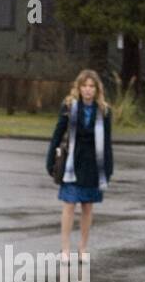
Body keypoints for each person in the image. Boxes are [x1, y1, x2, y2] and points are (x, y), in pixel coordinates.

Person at [45, 69, 113, 261]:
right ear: (79, 87)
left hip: (94, 165)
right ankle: (65, 249)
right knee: (68, 205)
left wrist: (108, 169)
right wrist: (50, 160)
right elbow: (57, 134)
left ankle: (83, 248)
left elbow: (107, 142)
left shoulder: (104, 111)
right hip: (72, 163)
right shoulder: (69, 106)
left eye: (92, 86)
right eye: (84, 86)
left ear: (97, 89)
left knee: (87, 207)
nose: (88, 90)